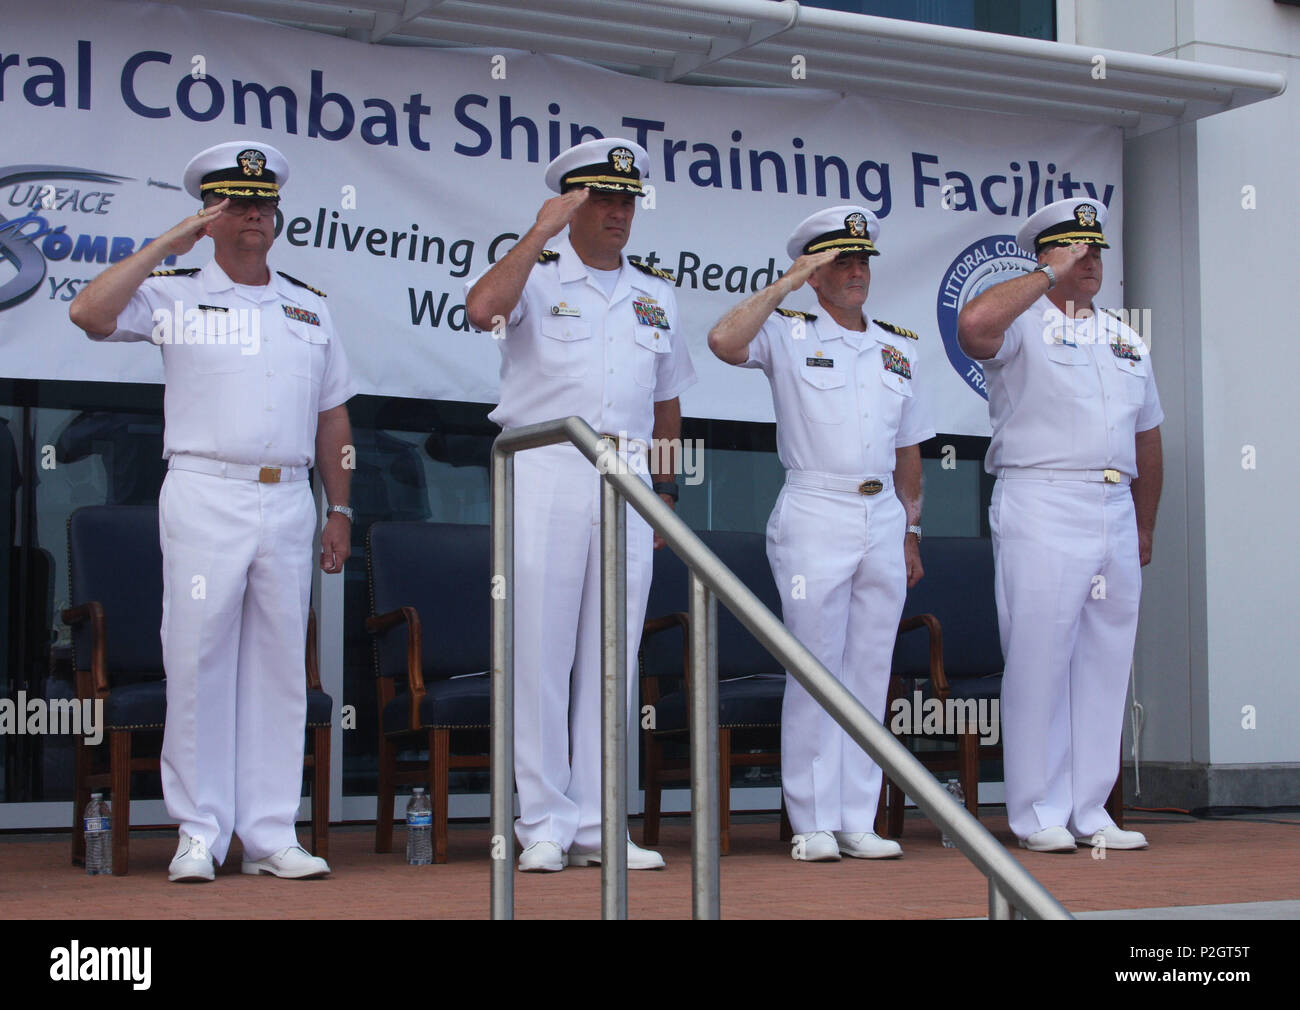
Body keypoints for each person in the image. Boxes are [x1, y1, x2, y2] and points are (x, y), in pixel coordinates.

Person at [69, 141, 356, 881]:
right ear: (211, 216)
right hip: (204, 489)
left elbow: (333, 417)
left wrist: (342, 508)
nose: (253, 216)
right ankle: (199, 830)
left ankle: (269, 833)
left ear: (278, 217)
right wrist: (173, 239)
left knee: (279, 667)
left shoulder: (311, 305)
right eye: (234, 205)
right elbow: (87, 313)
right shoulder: (173, 292)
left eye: (261, 205)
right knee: (196, 660)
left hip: (290, 496)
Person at [465, 138, 696, 872]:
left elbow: (667, 404)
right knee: (541, 646)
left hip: (627, 473)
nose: (618, 211)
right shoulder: (534, 275)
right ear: (571, 204)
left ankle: (599, 822)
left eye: (627, 199)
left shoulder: (656, 294)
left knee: (613, 651)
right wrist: (538, 233)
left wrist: (664, 490)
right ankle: (543, 821)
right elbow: (480, 310)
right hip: (547, 462)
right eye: (602, 198)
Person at [708, 206, 933, 862]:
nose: (857, 270)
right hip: (815, 508)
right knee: (814, 666)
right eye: (840, 261)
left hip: (883, 516)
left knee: (870, 669)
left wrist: (912, 528)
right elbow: (723, 342)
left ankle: (857, 817)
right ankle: (810, 818)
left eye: (862, 260)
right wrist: (784, 284)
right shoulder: (786, 330)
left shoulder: (900, 346)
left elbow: (910, 448)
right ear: (814, 273)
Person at [957, 197, 1162, 853]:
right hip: (1042, 499)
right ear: (1045, 255)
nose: (1089, 259)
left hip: (1113, 506)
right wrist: (1045, 278)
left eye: (1095, 248)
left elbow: (1150, 437)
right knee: (1040, 657)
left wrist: (1146, 526)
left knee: (1105, 660)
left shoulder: (1126, 338)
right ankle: (1036, 811)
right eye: (1075, 248)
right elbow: (972, 326)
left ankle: (1090, 808)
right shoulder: (1022, 322)